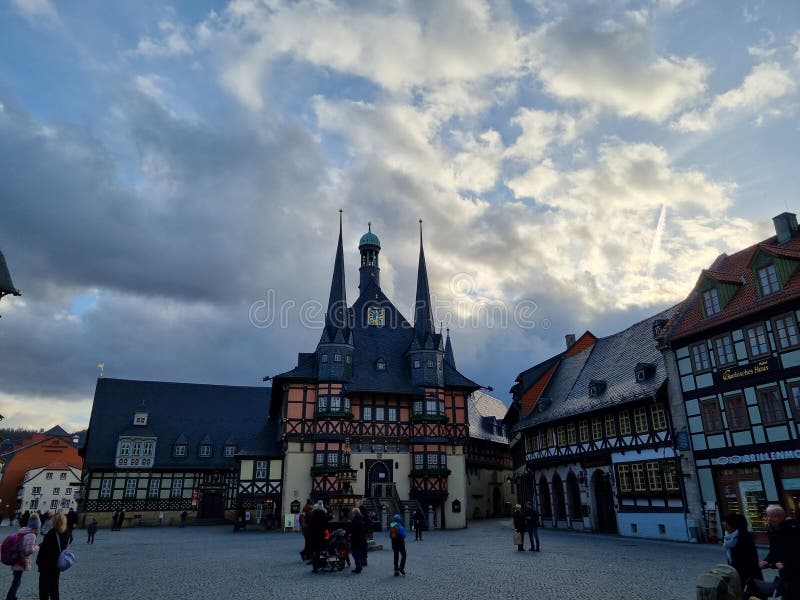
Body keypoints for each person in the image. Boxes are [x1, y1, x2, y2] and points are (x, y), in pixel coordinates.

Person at [760, 504, 800, 600]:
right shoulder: (773, 529)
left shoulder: (793, 528)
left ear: (781, 516)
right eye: (769, 516)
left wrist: (786, 563)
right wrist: (767, 561)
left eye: (773, 516)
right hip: (785, 572)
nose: (770, 519)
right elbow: (774, 549)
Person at [4, 514, 40, 600]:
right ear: (36, 526)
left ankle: (12, 596)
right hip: (21, 560)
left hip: (16, 558)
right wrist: (37, 547)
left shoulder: (23, 531)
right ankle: (10, 597)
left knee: (16, 580)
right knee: (16, 581)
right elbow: (28, 551)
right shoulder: (32, 535)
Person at [722, 513, 762, 586]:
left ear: (733, 525)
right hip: (737, 574)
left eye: (727, 525)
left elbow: (748, 561)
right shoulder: (729, 538)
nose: (725, 527)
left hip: (748, 576)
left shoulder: (744, 538)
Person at [36, 512, 69, 600]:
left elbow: (45, 550)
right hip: (57, 564)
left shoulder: (51, 533)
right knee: (54, 587)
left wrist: (39, 562)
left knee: (43, 588)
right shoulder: (66, 533)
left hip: (47, 565)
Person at [308, 501, 331, 573]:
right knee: (320, 551)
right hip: (321, 536)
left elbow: (309, 524)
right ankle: (320, 565)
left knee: (313, 551)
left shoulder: (312, 515)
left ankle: (315, 567)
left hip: (313, 535)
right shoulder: (324, 516)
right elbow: (327, 524)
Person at [349, 507, 368, 574]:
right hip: (362, 538)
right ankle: (358, 566)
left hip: (356, 539)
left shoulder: (355, 520)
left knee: (354, 553)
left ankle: (358, 566)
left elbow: (351, 529)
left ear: (354, 513)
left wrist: (347, 534)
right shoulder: (362, 519)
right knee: (358, 553)